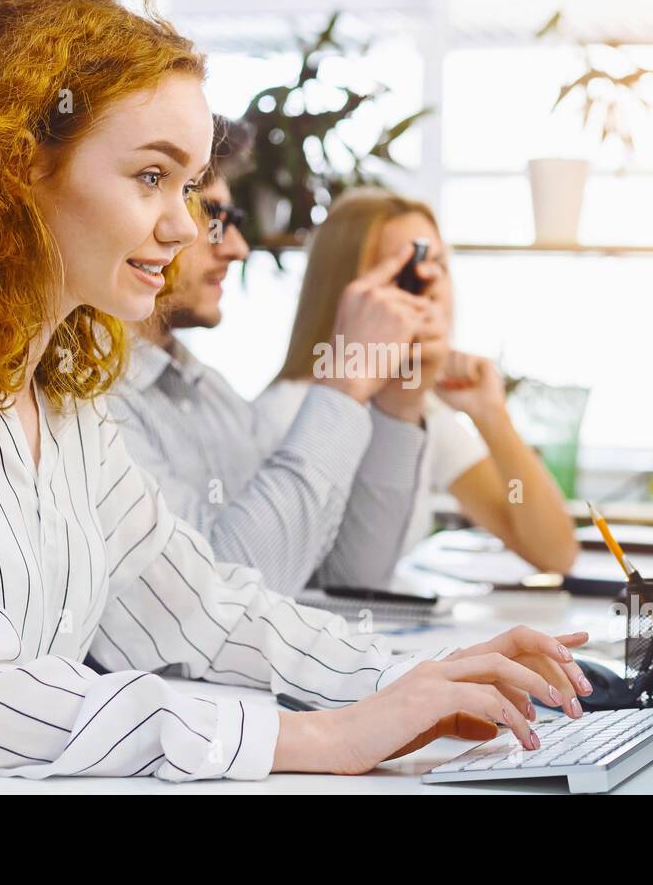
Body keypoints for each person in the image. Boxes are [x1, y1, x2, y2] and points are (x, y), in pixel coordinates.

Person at [0, 0, 592, 796]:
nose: (182, 225)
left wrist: (422, 678)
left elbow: (204, 613)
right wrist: (321, 738)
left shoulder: (62, 402)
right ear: (17, 169)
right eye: (151, 177)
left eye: (190, 184)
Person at [107, 117, 442, 595]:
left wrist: (402, 399)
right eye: (217, 221)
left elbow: (347, 578)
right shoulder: (97, 401)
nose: (239, 249)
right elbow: (228, 594)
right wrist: (347, 377)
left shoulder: (212, 392)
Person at [264, 189, 578, 574]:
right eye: (407, 268)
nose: (431, 284)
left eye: (439, 264)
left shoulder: (418, 408)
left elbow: (555, 553)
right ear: (345, 291)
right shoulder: (291, 415)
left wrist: (491, 415)